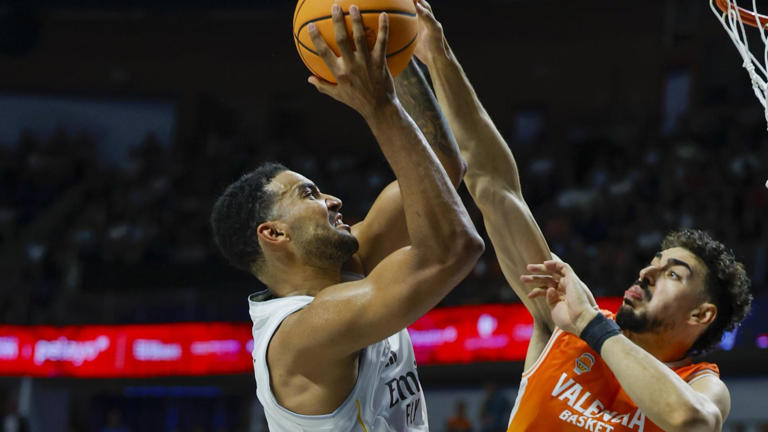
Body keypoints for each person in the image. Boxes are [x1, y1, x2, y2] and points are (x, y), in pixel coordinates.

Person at [410, 1, 753, 431]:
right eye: (656, 262)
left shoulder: (697, 383)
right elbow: (493, 184)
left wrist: (592, 325)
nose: (647, 270)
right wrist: (435, 57)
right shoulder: (563, 321)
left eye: (673, 274)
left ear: (701, 315)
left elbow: (691, 421)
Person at [210, 4, 483, 432]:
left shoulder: (349, 267)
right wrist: (379, 106)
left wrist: (390, 49)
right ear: (274, 233)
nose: (334, 200)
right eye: (310, 194)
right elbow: (455, 248)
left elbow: (442, 165)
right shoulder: (303, 334)